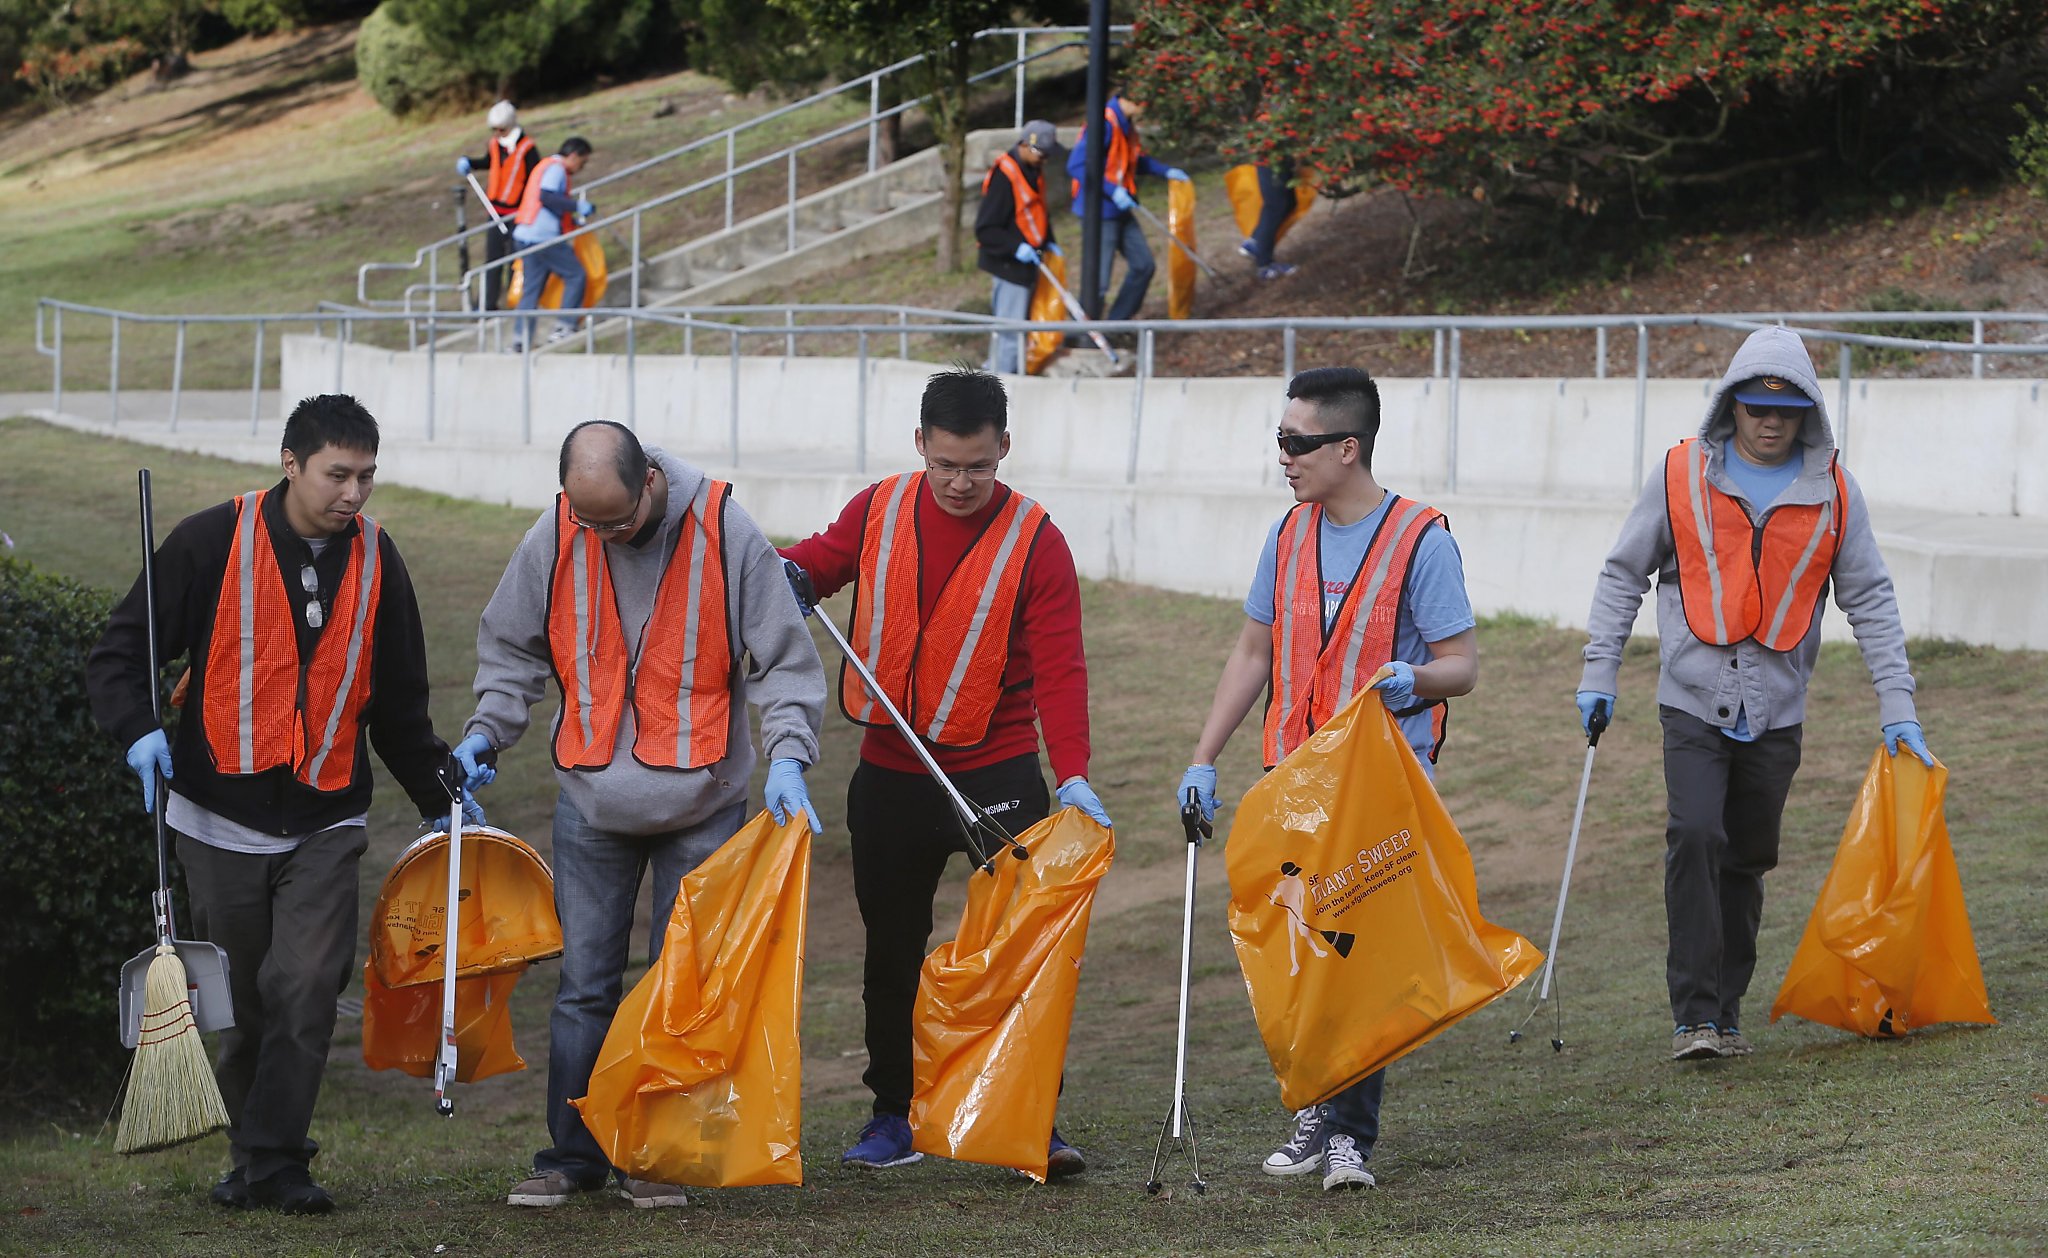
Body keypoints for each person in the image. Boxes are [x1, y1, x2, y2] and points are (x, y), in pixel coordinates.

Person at [87, 394, 464, 1216]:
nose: (354, 493)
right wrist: (138, 731)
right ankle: (252, 1156)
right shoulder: (208, 540)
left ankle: (277, 1161)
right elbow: (118, 657)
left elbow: (399, 702)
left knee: (306, 986)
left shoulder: (378, 559)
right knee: (252, 1002)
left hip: (328, 815)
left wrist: (442, 795)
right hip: (217, 817)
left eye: (367, 476)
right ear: (291, 465)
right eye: (338, 474)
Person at [454, 420, 824, 1210]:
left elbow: (784, 657)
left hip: (704, 802)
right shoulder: (559, 531)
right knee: (584, 987)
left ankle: (655, 1157)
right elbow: (512, 646)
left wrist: (788, 753)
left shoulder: (724, 525)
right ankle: (571, 1158)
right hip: (592, 800)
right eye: (591, 523)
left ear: (651, 478)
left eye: (618, 521)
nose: (607, 537)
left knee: (677, 986)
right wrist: (489, 727)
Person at [780, 366, 1112, 1178]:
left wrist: (1071, 773)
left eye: (979, 466)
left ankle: (1029, 1117)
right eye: (947, 464)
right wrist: (782, 570)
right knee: (890, 955)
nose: (962, 482)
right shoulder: (879, 509)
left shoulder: (1039, 540)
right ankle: (894, 1115)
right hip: (889, 777)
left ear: (1005, 448)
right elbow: (816, 564)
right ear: (920, 445)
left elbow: (1062, 670)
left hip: (998, 776)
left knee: (1020, 954)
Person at [1576, 324, 1933, 1063]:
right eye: (1754, 407)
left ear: (1808, 412)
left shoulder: (1834, 490)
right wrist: (1597, 672)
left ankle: (1726, 1010)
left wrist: (1897, 704)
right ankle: (1694, 1017)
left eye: (1786, 409)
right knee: (1696, 835)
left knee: (1746, 858)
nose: (1769, 422)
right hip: (1692, 699)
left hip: (1778, 708)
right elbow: (1622, 574)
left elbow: (1869, 596)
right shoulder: (1679, 474)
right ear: (1730, 406)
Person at [1177, 366, 1478, 1193]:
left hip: (1379, 786)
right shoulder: (1287, 535)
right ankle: (1319, 1103)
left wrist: (1412, 680)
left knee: (1360, 959)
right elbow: (1253, 653)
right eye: (1280, 441)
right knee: (1304, 954)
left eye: (1297, 443)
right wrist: (1204, 755)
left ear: (1348, 448)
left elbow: (1463, 666)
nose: (1284, 457)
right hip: (1294, 781)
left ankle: (1348, 1135)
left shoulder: (1423, 540)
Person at [1065, 90, 1190, 323]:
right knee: (1098, 282)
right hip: (1099, 213)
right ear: (1130, 99)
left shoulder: (1126, 125)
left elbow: (1132, 159)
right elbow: (1077, 166)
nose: (1146, 108)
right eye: (1145, 102)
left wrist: (1165, 171)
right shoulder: (1104, 123)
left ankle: (1115, 325)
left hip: (1120, 209)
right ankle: (1078, 335)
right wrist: (1113, 190)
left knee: (1143, 266)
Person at [975, 119, 1063, 375]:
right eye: (1042, 154)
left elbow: (1036, 213)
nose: (1045, 160)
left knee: (1018, 331)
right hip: (1009, 265)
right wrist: (1017, 248)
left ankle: (1000, 376)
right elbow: (986, 229)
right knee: (1010, 333)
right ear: (1025, 145)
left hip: (1030, 261)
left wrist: (1050, 243)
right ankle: (1001, 388)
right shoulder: (1005, 175)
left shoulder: (1033, 170)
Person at [510, 136, 596, 352]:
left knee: (531, 289)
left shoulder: (546, 165)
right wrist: (577, 205)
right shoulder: (557, 170)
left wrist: (570, 220)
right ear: (573, 156)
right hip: (542, 237)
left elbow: (547, 204)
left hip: (525, 234)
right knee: (576, 275)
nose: (581, 168)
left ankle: (521, 338)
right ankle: (565, 325)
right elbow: (547, 197)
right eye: (582, 163)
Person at [456, 100, 540, 311]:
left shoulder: (527, 148)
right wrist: (470, 163)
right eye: (494, 130)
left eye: (501, 129)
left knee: (515, 260)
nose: (497, 133)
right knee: (492, 260)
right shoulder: (495, 144)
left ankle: (516, 301)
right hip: (495, 213)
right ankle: (487, 304)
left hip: (518, 215)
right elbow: (489, 162)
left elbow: (535, 178)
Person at [1239, 159, 1299, 280]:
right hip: (1271, 155)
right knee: (1277, 204)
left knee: (1288, 202)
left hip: (1278, 154)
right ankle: (1263, 262)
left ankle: (1256, 243)